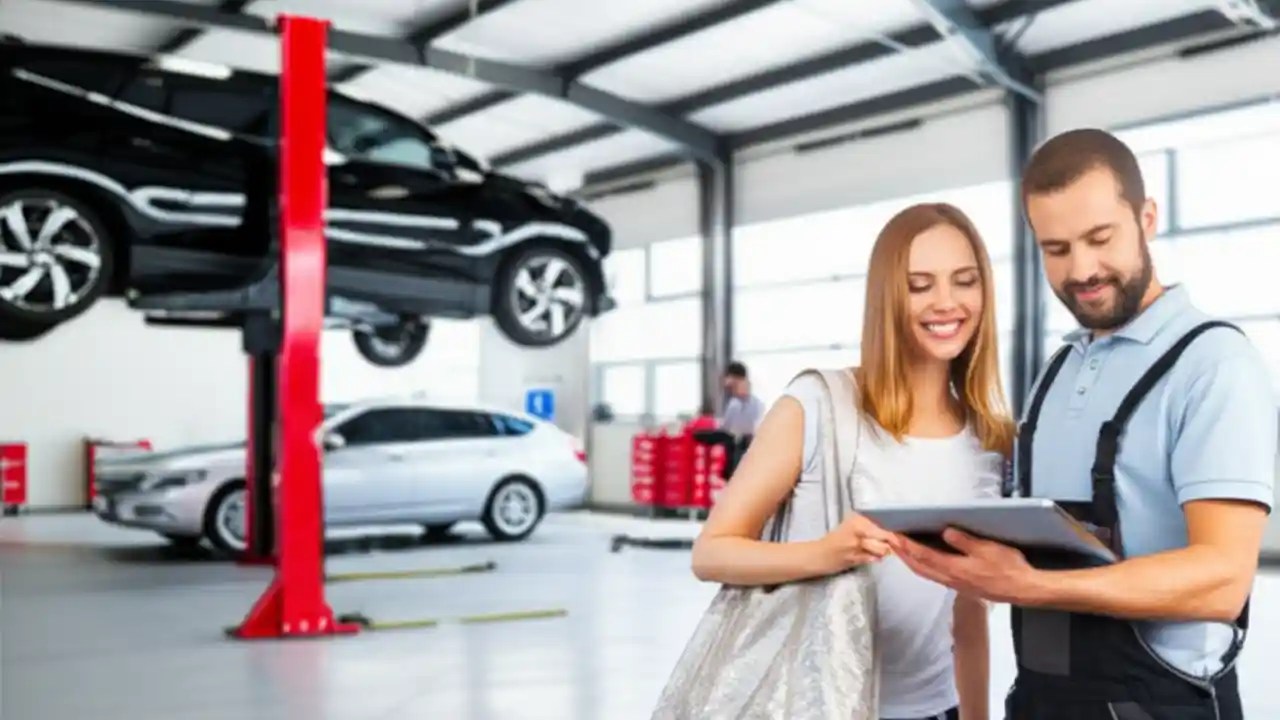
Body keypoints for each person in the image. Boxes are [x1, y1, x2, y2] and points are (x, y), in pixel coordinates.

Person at [888, 129, 1278, 720]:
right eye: (1057, 248)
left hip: (1163, 706)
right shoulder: (1057, 369)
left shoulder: (1213, 363)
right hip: (1044, 700)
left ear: (1146, 218)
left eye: (1101, 238)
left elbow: (1221, 580)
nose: (1083, 269)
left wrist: (1030, 586)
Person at [691, 202, 1014, 720]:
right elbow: (711, 553)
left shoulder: (989, 438)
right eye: (920, 284)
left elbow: (969, 611)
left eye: (964, 281)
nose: (947, 302)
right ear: (888, 295)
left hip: (936, 710)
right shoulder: (818, 403)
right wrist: (826, 552)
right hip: (819, 704)